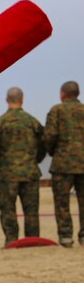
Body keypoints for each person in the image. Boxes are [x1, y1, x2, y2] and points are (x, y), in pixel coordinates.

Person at [0, 87, 46, 246]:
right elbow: (43, 144)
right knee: (31, 209)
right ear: (22, 99)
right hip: (30, 172)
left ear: (7, 100)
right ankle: (32, 239)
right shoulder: (32, 122)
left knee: (8, 210)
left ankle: (11, 240)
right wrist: (34, 161)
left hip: (6, 174)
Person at [43, 81, 84, 247]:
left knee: (62, 202)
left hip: (63, 164)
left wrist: (53, 151)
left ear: (62, 94)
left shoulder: (56, 111)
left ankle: (65, 236)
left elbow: (50, 136)